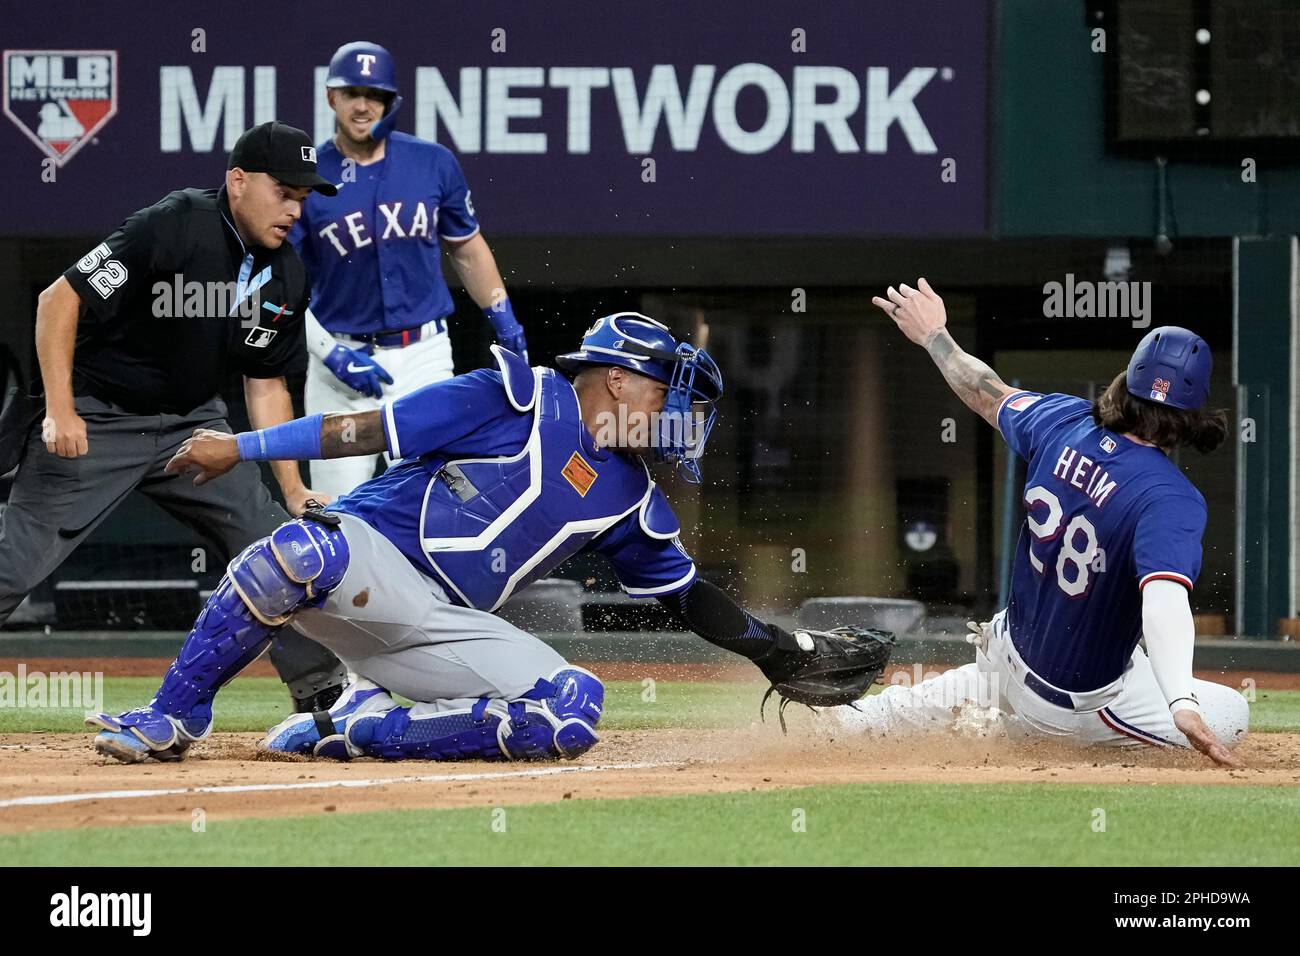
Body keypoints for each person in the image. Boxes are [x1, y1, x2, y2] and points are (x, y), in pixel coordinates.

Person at [87, 314, 885, 764]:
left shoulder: (633, 500)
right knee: (300, 552)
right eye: (667, 392)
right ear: (618, 379)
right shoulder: (510, 395)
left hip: (437, 627)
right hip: (365, 557)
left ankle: (361, 728)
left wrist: (778, 648)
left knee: (569, 711)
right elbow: (358, 427)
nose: (680, 415)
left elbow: (689, 598)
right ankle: (172, 717)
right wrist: (243, 447)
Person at [0, 121, 348, 713]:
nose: (294, 208)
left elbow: (265, 385)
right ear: (238, 182)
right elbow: (59, 300)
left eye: (302, 198)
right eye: (283, 191)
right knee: (16, 562)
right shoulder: (174, 223)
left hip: (195, 427)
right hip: (101, 417)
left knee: (280, 554)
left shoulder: (285, 273)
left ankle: (324, 698)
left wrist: (291, 488)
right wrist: (60, 410)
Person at [833, 278, 1248, 767]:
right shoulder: (1171, 498)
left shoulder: (1063, 420)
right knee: (1234, 712)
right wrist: (1181, 702)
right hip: (1075, 707)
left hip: (1005, 654)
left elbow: (984, 390)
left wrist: (935, 337)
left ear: (1128, 382)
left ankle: (966, 703)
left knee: (860, 724)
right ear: (1194, 412)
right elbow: (1164, 601)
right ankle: (1022, 726)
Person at [293, 40, 528, 498]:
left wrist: (504, 317)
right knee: (338, 513)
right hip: (338, 369)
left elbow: (466, 248)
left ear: (391, 100)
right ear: (331, 97)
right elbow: (281, 287)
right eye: (351, 92)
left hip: (423, 356)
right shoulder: (308, 175)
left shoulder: (432, 162)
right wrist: (328, 353)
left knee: (441, 501)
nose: (363, 106)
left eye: (374, 94)